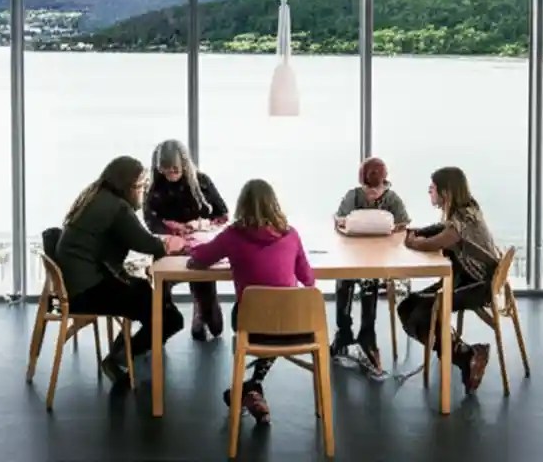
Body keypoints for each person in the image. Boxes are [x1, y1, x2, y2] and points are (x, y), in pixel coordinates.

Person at [188, 179, 315, 425]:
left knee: (258, 317)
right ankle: (252, 388)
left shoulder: (233, 235)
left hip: (252, 322)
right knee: (277, 319)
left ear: (241, 205)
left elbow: (201, 258)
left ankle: (248, 390)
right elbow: (308, 280)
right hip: (293, 326)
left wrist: (192, 247)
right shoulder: (291, 234)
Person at [55, 155, 187, 386]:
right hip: (88, 293)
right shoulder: (117, 208)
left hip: (78, 285)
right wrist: (170, 243)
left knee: (148, 294)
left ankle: (126, 351)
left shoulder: (96, 197)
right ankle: (121, 356)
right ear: (125, 185)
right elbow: (146, 243)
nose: (142, 191)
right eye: (139, 186)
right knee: (170, 318)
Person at [396, 167, 496, 394]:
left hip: (477, 285)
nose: (429, 191)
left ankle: (466, 355)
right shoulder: (465, 211)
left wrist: (413, 242)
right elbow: (439, 230)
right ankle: (465, 354)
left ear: (446, 192)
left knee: (421, 311)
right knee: (407, 306)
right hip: (464, 278)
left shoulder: (464, 218)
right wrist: (414, 231)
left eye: (433, 188)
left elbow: (436, 242)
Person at [143, 140, 229, 342]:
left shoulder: (201, 182)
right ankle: (163, 322)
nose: (171, 174)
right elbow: (150, 220)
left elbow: (223, 214)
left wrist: (198, 224)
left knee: (215, 326)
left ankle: (203, 310)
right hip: (169, 243)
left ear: (184, 165)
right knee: (161, 285)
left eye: (175, 169)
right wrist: (170, 231)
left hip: (198, 241)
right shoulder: (155, 186)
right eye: (165, 170)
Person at [331, 157, 411, 372]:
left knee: (370, 280)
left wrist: (389, 228)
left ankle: (368, 334)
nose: (372, 192)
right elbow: (339, 219)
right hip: (353, 253)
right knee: (344, 279)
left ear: (385, 181)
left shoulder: (392, 198)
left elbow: (403, 223)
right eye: (368, 187)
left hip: (380, 255)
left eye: (377, 186)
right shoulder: (353, 195)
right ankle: (344, 332)